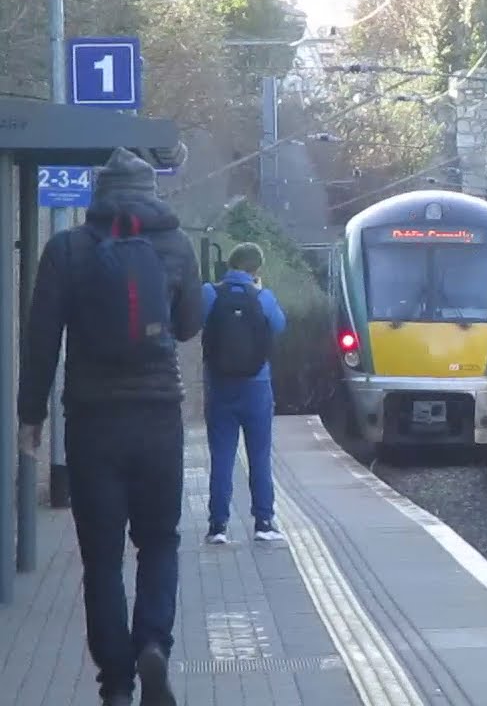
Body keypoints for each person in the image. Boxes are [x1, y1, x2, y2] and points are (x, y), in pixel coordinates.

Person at [18, 147, 202, 706]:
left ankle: (116, 684)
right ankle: (154, 644)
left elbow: (42, 340)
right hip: (158, 419)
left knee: (100, 559)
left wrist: (31, 418)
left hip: (93, 422)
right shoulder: (175, 245)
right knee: (159, 542)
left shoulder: (67, 249)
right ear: (153, 190)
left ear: (98, 194)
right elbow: (191, 325)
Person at [201, 242, 287, 544]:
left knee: (222, 456)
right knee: (259, 456)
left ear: (230, 265)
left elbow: (192, 323)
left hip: (220, 385)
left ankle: (218, 526)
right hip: (257, 386)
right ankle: (263, 522)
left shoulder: (210, 293)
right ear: (257, 270)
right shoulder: (263, 297)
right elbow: (279, 326)